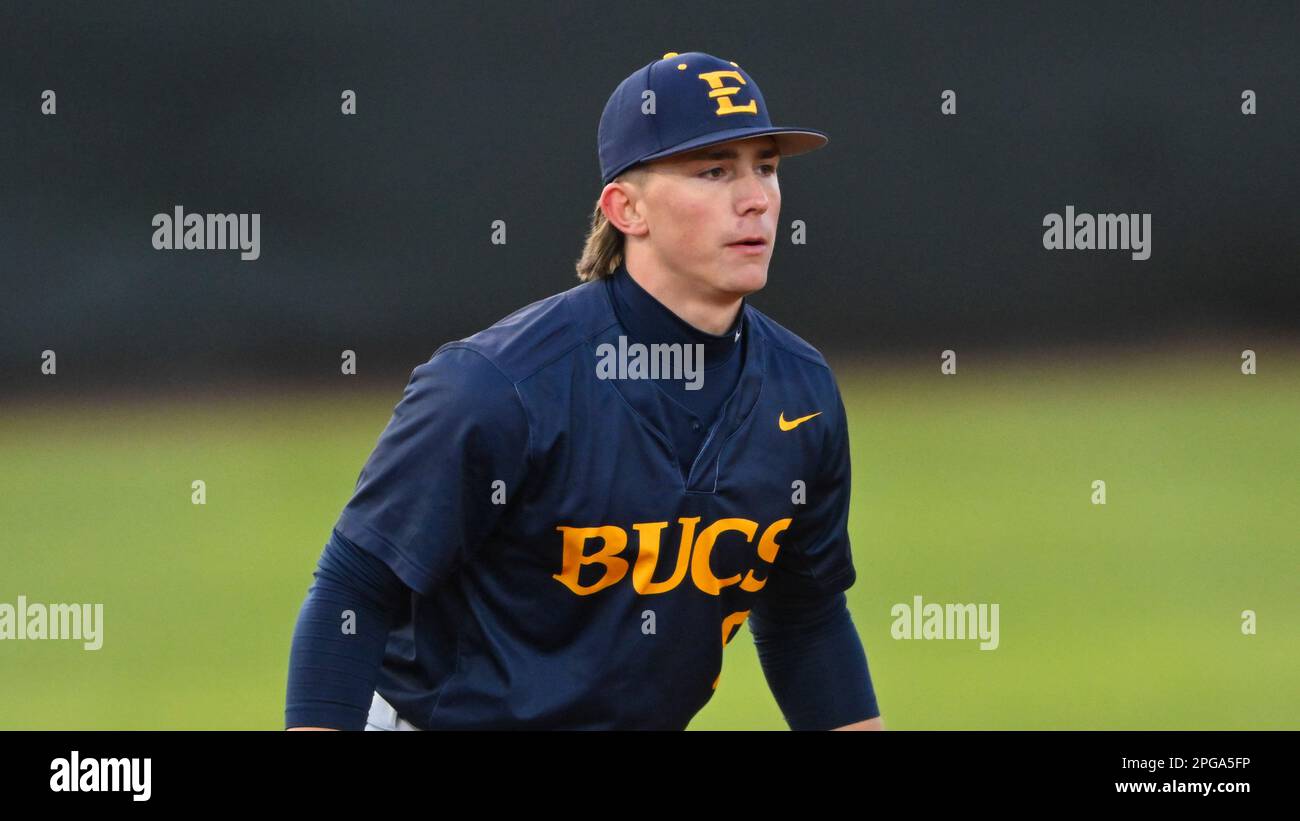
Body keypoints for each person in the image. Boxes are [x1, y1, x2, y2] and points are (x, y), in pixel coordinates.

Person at [285, 51, 882, 731]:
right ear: (625, 207)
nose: (754, 198)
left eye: (765, 168)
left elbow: (806, 618)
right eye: (714, 170)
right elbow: (353, 589)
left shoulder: (799, 393)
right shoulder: (497, 387)